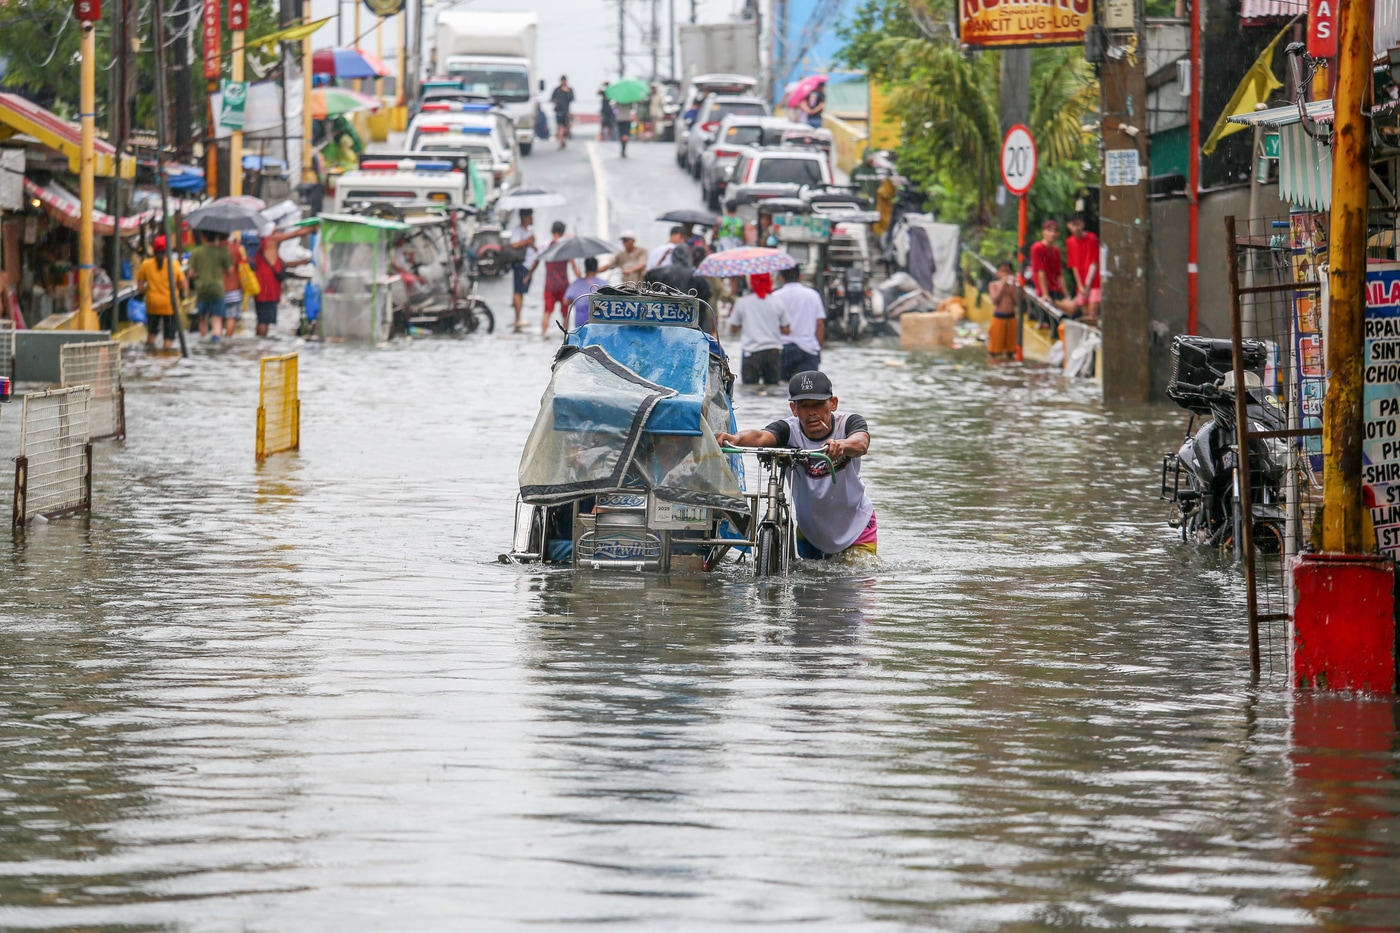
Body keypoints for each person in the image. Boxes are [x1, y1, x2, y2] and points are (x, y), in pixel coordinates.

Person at [716, 370, 876, 560]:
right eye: (804, 406)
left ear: (833, 403)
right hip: (810, 533)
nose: (812, 412)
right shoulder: (788, 429)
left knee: (857, 579)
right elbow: (760, 437)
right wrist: (735, 438)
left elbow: (861, 443)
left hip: (857, 528)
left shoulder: (848, 423)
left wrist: (842, 445)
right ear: (794, 409)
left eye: (818, 404)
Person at [727, 272, 790, 385]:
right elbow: (786, 329)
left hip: (751, 353)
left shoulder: (742, 302)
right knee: (772, 390)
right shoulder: (777, 302)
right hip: (773, 353)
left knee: (750, 391)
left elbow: (734, 328)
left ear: (751, 282)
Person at [251, 229, 312, 338]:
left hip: (261, 287)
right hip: (268, 289)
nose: (278, 233)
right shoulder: (270, 241)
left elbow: (283, 264)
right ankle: (262, 343)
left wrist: (301, 262)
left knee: (261, 319)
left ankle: (259, 341)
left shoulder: (266, 248)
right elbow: (295, 234)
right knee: (264, 320)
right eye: (275, 231)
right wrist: (312, 228)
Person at [134, 235, 187, 349]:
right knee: (169, 335)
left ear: (154, 250)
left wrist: (149, 290)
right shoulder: (174, 265)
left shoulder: (146, 264)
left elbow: (140, 287)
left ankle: (151, 354)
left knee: (152, 332)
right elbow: (183, 285)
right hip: (170, 305)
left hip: (152, 304)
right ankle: (166, 357)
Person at [775, 265, 825, 379]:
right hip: (808, 349)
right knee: (807, 391)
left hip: (783, 349)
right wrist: (818, 349)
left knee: (781, 389)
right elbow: (820, 324)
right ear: (800, 276)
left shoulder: (775, 297)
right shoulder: (813, 296)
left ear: (781, 278)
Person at [188, 230, 232, 342]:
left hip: (202, 289)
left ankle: (203, 339)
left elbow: (191, 274)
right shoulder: (222, 252)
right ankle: (215, 340)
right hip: (217, 289)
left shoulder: (197, 252)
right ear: (216, 236)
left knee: (202, 318)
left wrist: (201, 274)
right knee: (217, 319)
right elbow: (230, 271)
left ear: (203, 236)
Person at [537, 220, 580, 334]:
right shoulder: (565, 248)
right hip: (563, 285)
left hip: (549, 285)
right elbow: (574, 267)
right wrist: (580, 279)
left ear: (552, 231)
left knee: (547, 312)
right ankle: (565, 336)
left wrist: (528, 275)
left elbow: (536, 261)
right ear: (562, 232)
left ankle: (543, 334)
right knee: (565, 313)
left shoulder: (546, 247)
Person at [1029, 219, 1079, 318]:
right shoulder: (1037, 248)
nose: (1053, 234)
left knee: (1075, 306)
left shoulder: (1056, 250)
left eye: (1055, 231)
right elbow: (1040, 272)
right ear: (1043, 232)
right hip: (1047, 290)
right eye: (1049, 231)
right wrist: (1045, 294)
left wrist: (1066, 294)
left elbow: (1059, 274)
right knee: (1071, 308)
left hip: (1056, 289)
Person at [1065, 214, 1101, 323]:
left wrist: (1086, 285)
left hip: (1094, 280)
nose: (1076, 227)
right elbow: (1073, 265)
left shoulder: (1092, 237)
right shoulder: (1069, 242)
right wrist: (1080, 286)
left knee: (1092, 311)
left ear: (1083, 224)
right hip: (1081, 282)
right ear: (1068, 226)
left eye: (1078, 224)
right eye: (1073, 224)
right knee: (1084, 312)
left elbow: (1094, 262)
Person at [508, 209, 537, 332]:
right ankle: (517, 317)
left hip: (527, 264)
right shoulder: (518, 231)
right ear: (524, 217)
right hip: (521, 264)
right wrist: (527, 241)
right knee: (518, 291)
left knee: (521, 291)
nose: (532, 219)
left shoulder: (528, 231)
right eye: (530, 217)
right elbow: (513, 244)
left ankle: (519, 316)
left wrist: (532, 244)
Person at [986, 261, 1020, 359]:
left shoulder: (1013, 285)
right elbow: (995, 300)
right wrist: (1003, 285)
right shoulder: (993, 285)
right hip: (999, 317)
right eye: (1002, 271)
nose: (1005, 274)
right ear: (998, 273)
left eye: (1007, 271)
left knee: (1011, 350)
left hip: (1011, 317)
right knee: (994, 350)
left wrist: (1013, 287)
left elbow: (1016, 302)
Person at [565, 257, 608, 330]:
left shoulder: (577, 283)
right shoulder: (604, 283)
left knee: (581, 338)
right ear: (596, 268)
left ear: (585, 268)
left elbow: (565, 302)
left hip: (581, 319)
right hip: (597, 316)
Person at [551, 75, 574, 149]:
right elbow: (552, 99)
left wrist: (567, 92)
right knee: (559, 127)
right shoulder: (557, 90)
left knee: (566, 128)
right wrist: (556, 101)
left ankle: (563, 139)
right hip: (558, 110)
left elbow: (572, 98)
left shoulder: (569, 90)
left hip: (566, 111)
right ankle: (560, 141)